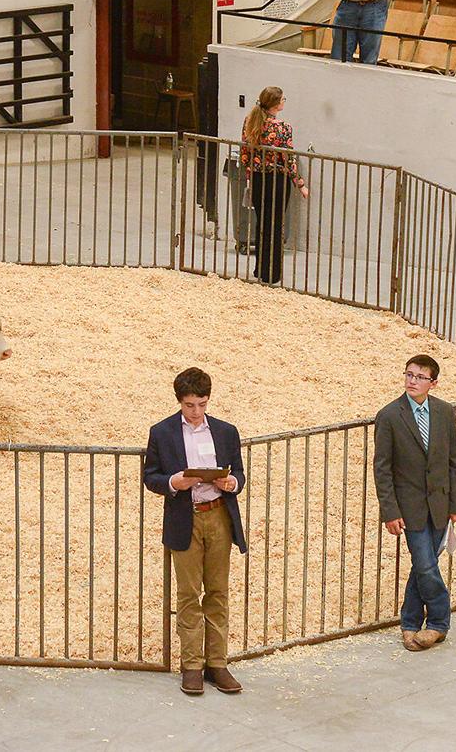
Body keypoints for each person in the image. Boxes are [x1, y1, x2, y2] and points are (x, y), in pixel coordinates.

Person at [141, 366, 248, 696]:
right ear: (180, 402)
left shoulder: (226, 431)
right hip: (186, 517)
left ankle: (217, 662)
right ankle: (191, 665)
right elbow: (151, 476)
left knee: (218, 592)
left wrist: (232, 482)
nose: (197, 412)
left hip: (219, 516)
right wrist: (174, 482)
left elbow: (240, 475)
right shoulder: (162, 432)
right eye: (190, 405)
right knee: (189, 595)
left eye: (202, 404)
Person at [373, 354, 456, 651]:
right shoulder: (389, 416)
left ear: (433, 383)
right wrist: (390, 510)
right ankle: (439, 621)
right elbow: (382, 468)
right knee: (425, 564)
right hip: (409, 507)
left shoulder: (445, 412)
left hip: (439, 504)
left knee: (422, 565)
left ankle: (410, 622)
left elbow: (454, 461)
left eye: (420, 377)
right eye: (409, 375)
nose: (412, 381)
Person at [238, 86, 310, 285]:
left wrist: (251, 174)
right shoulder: (283, 128)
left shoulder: (249, 122)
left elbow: (245, 153)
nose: (284, 101)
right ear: (277, 105)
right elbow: (288, 159)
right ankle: (272, 272)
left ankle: (259, 268)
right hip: (278, 180)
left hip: (258, 179)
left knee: (262, 222)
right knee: (276, 223)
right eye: (283, 99)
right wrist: (300, 184)